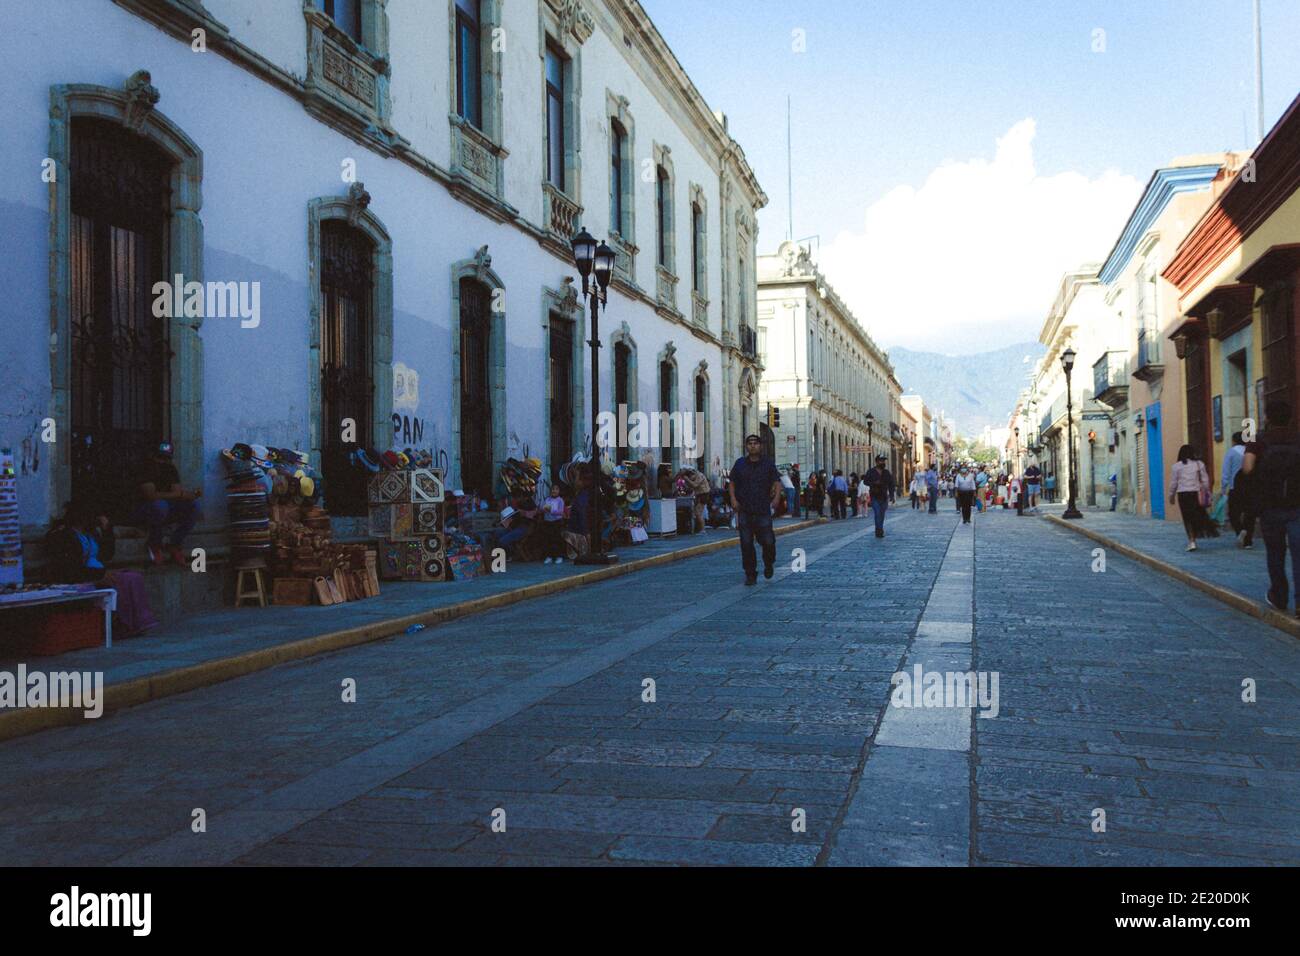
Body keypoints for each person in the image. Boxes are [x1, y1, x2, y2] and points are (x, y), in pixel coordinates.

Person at [44, 499, 158, 637]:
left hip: (98, 571)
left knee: (133, 577)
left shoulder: (90, 534)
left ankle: (137, 623)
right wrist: (98, 576)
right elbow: (70, 566)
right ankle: (122, 624)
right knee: (120, 582)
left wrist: (107, 529)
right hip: (82, 576)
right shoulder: (63, 534)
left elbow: (107, 554)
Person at [1242, 402, 1300, 612]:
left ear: (1268, 417)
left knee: (1275, 554)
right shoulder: (1297, 437)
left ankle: (1279, 596)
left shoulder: (1259, 440)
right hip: (1297, 505)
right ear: (1291, 417)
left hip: (1270, 506)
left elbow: (1247, 468)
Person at [134, 442, 201, 566]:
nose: (163, 461)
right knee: (160, 505)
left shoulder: (170, 469)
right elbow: (151, 495)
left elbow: (176, 490)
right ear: (152, 456)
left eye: (167, 458)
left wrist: (183, 495)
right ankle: (154, 543)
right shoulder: (144, 468)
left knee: (194, 505)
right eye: (160, 458)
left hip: (164, 508)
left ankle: (174, 543)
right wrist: (180, 495)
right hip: (142, 511)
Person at [730, 435, 781, 586]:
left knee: (768, 541)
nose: (752, 446)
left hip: (762, 508)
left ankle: (769, 563)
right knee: (746, 543)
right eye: (750, 443)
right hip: (744, 509)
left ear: (760, 446)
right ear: (746, 446)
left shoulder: (768, 464)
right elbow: (732, 482)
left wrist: (776, 498)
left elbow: (777, 482)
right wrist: (733, 499)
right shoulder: (739, 464)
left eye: (755, 443)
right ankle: (750, 573)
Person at [1169, 445, 1213, 551]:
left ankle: (1192, 541)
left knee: (1187, 517)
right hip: (1196, 494)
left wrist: (1171, 496)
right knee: (1196, 515)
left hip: (1183, 495)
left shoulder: (1176, 466)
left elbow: (1174, 483)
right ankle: (1195, 537)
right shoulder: (1199, 464)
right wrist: (1206, 492)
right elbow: (1205, 481)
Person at [1223, 431, 1253, 548]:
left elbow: (1226, 471)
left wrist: (1223, 487)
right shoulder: (1249, 451)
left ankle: (1240, 531)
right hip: (1250, 487)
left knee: (1233, 513)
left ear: (1234, 441)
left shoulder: (1231, 452)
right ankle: (1248, 541)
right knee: (1249, 514)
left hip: (1234, 487)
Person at [863, 455, 896, 538]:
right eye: (881, 461)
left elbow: (891, 484)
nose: (883, 462)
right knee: (877, 513)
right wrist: (874, 483)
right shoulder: (871, 472)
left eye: (884, 461)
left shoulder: (886, 472)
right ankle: (879, 530)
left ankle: (879, 528)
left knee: (882, 514)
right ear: (877, 462)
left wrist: (892, 496)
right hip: (874, 496)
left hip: (884, 496)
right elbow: (865, 482)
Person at [540, 486, 567, 564]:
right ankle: (549, 556)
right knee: (548, 539)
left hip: (556, 522)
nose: (554, 491)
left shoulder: (560, 500)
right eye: (553, 489)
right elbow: (542, 508)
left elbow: (561, 512)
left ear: (559, 491)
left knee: (557, 539)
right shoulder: (547, 499)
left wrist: (551, 510)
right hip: (548, 522)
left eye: (556, 489)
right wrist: (543, 509)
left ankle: (559, 556)